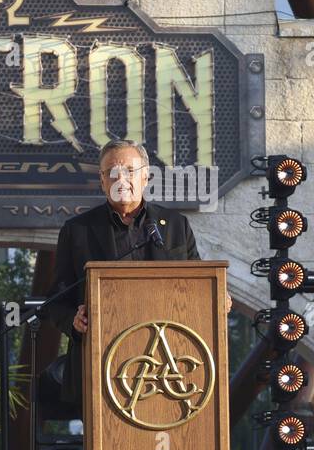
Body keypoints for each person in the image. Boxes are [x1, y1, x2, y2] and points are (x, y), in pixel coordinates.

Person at [43, 139, 232, 410]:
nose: (122, 179)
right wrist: (73, 320)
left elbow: (196, 282)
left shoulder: (175, 225)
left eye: (129, 171)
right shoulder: (78, 231)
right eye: (112, 172)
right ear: (102, 180)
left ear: (146, 176)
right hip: (103, 368)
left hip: (169, 364)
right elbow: (55, 301)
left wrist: (217, 296)